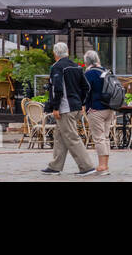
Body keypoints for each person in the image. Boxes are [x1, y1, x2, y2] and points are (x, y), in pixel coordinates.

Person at [40, 42, 96, 176]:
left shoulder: (57, 67)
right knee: (59, 136)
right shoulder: (76, 66)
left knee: (71, 137)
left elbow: (57, 89)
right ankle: (55, 166)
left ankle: (86, 166)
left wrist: (55, 107)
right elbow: (86, 87)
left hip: (64, 108)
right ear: (67, 52)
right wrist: (82, 103)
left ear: (55, 54)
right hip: (75, 107)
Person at [82, 50, 116, 177]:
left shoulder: (90, 73)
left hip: (96, 109)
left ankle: (102, 166)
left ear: (87, 62)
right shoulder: (106, 71)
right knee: (105, 137)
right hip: (109, 108)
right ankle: (105, 165)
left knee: (99, 138)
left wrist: (86, 105)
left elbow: (85, 91)